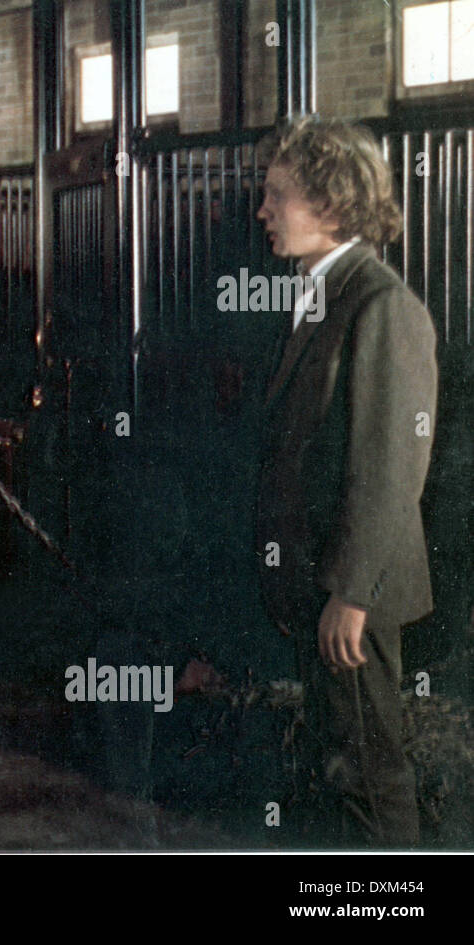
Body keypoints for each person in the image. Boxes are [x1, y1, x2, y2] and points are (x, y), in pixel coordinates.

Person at [254, 117, 438, 847]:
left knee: (369, 770)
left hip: (355, 595)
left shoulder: (382, 304)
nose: (262, 211)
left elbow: (393, 466)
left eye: (277, 196)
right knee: (343, 764)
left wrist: (352, 593)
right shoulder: (320, 291)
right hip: (324, 586)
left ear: (331, 205)